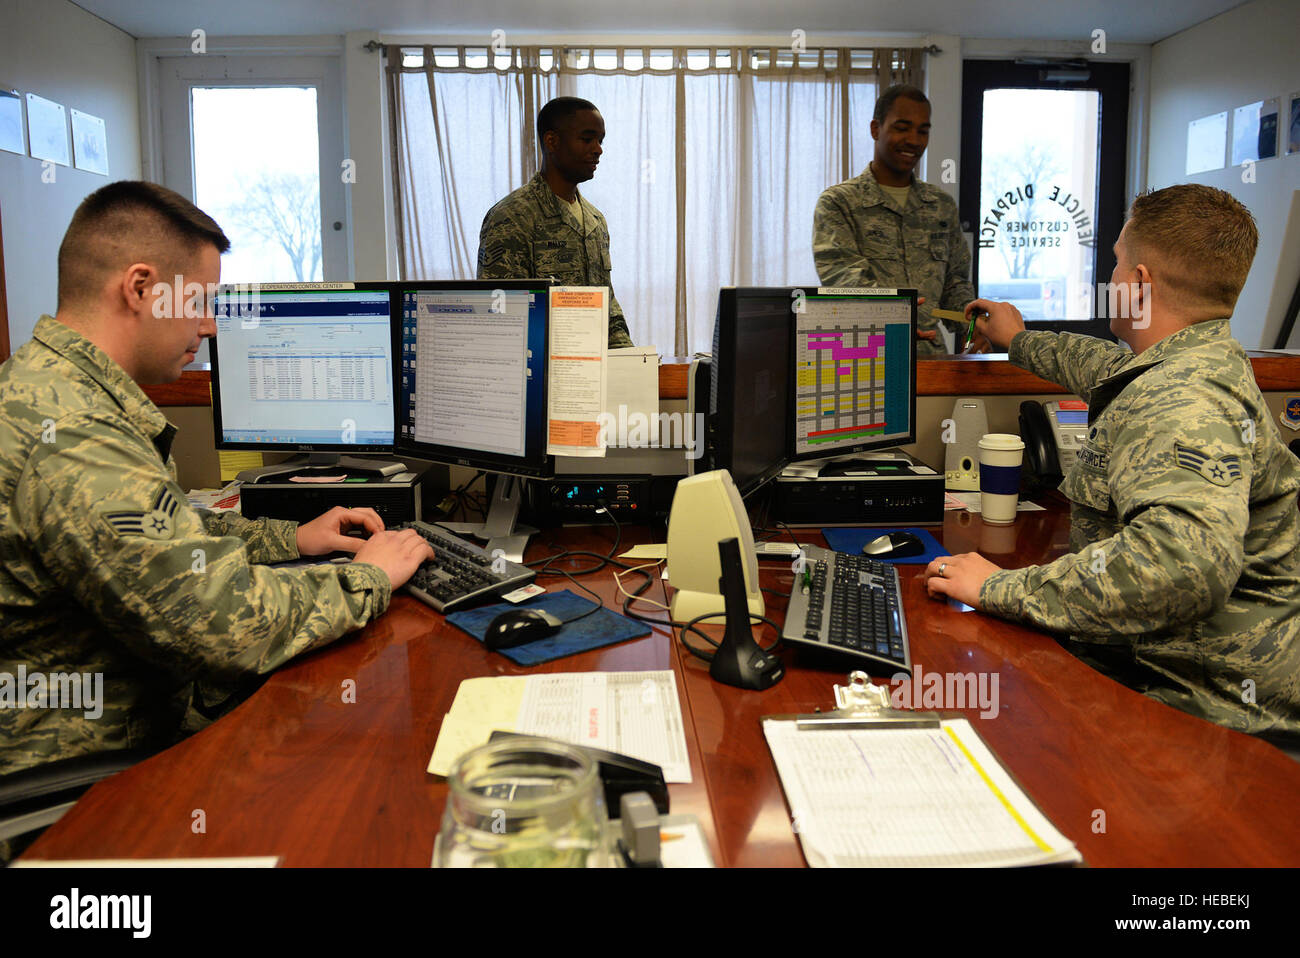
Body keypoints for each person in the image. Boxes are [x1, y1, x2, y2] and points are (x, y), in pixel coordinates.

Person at [0, 181, 435, 788]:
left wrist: (291, 540)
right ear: (141, 288)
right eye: (199, 300)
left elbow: (163, 527)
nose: (209, 325)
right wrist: (370, 577)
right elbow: (224, 624)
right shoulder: (74, 433)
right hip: (87, 777)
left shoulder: (51, 390)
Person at [925, 184, 1300, 746]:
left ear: (1140, 284)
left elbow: (1185, 566)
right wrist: (1019, 338)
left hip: (1205, 715)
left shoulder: (1184, 398)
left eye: (1118, 263)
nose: (1112, 279)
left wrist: (1004, 589)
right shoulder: (1198, 358)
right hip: (1178, 681)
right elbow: (1105, 366)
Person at [812, 84, 974, 356]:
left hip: (931, 364)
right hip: (865, 359)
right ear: (876, 129)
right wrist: (896, 322)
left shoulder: (941, 207)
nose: (914, 139)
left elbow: (955, 285)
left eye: (923, 131)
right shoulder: (839, 203)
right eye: (902, 127)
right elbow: (845, 282)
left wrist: (974, 323)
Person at [477, 96, 634, 348]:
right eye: (587, 139)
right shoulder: (512, 217)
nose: (598, 149)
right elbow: (500, 319)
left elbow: (608, 307)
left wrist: (630, 364)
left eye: (600, 140)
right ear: (552, 141)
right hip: (541, 376)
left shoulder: (595, 221)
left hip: (595, 373)